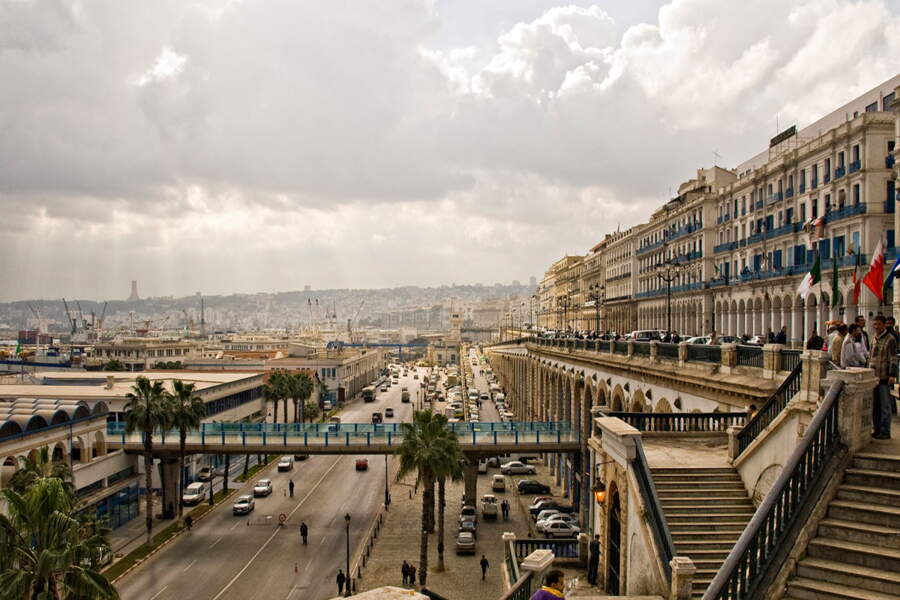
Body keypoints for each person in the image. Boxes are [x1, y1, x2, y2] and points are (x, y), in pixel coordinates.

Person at [868, 315, 896, 440]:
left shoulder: (890, 339)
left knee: (885, 405)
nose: (876, 327)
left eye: (879, 324)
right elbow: (870, 356)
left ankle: (885, 430)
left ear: (884, 325)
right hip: (873, 376)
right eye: (875, 324)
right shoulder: (873, 338)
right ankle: (877, 428)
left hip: (884, 376)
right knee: (875, 405)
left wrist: (892, 374)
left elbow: (893, 358)